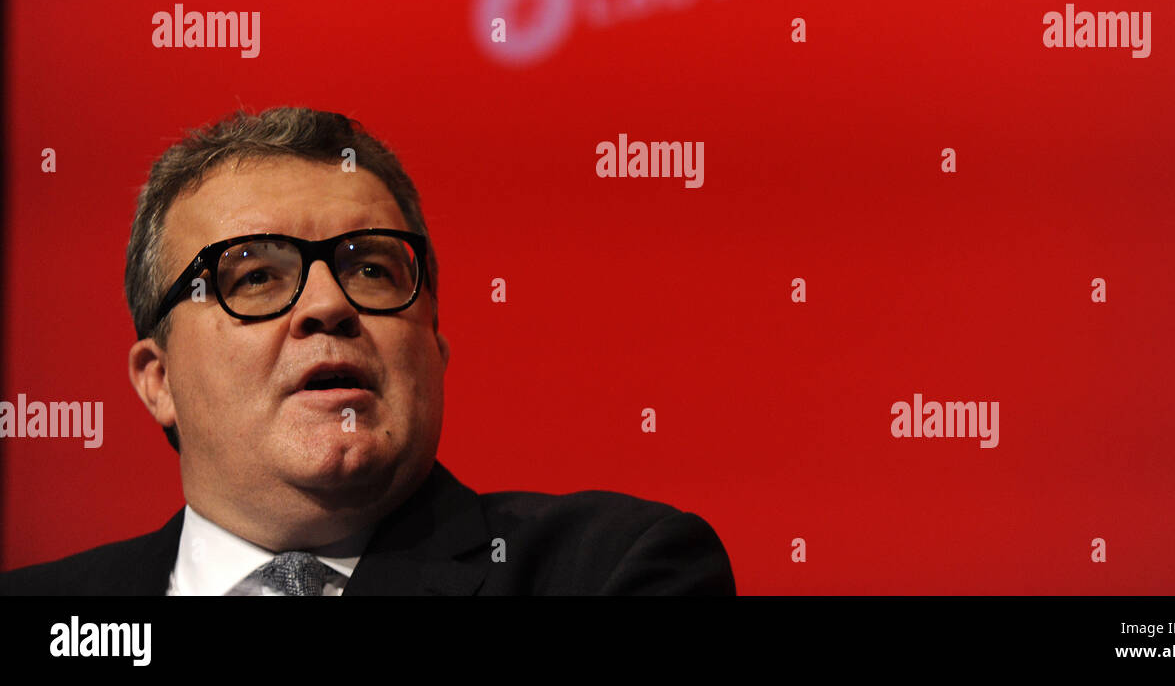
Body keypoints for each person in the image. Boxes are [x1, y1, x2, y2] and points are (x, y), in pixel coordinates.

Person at [0, 107, 734, 595]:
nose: (328, 306)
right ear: (157, 379)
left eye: (372, 269)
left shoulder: (610, 571)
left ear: (434, 349)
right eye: (255, 276)